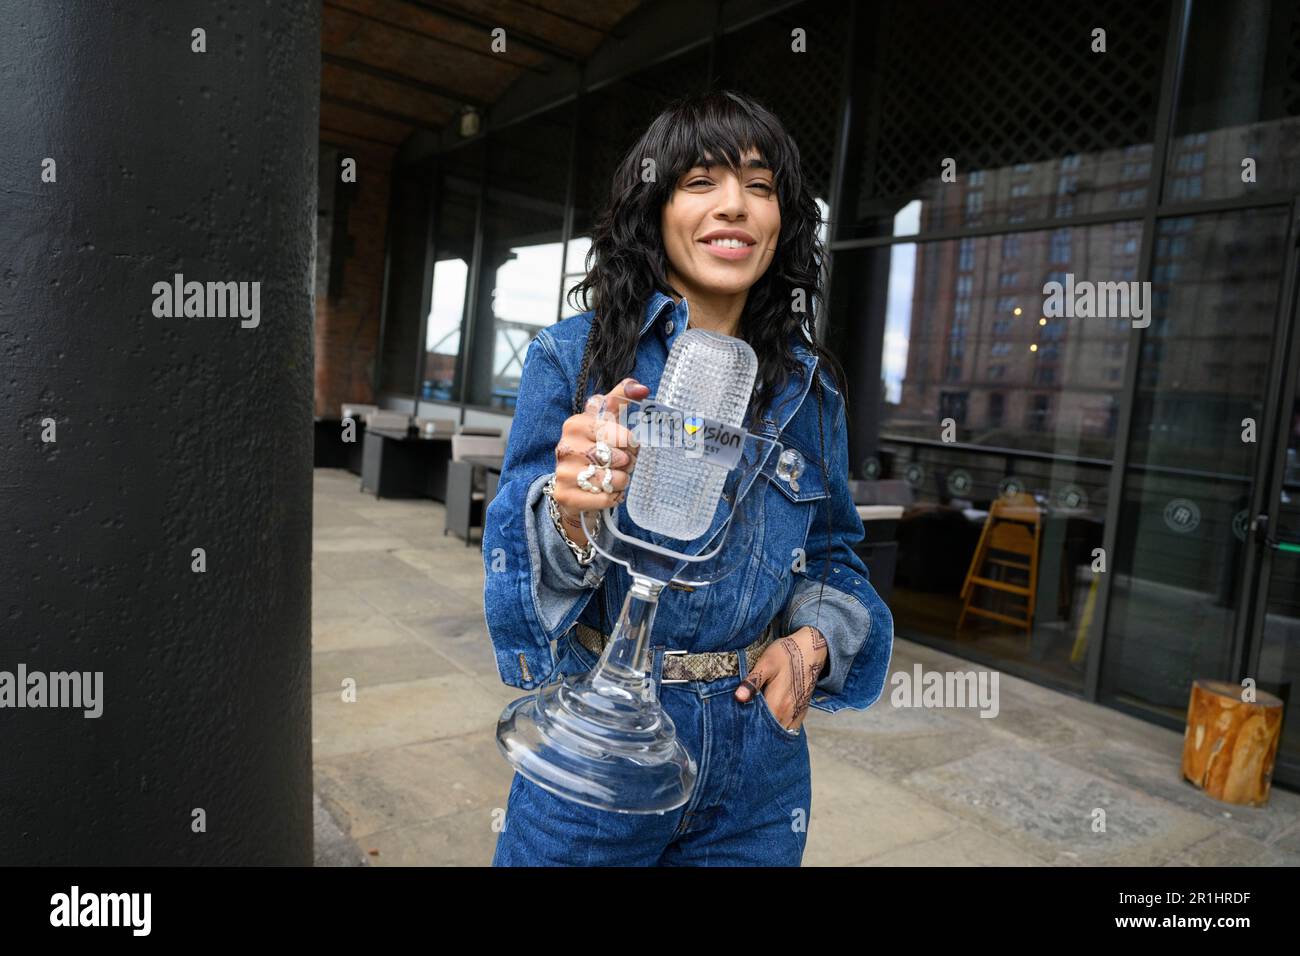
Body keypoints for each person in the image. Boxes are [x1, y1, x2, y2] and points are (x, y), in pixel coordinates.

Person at [483, 90, 893, 866]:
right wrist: (571, 515)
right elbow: (513, 577)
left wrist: (814, 648)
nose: (735, 205)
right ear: (655, 207)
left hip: (755, 765)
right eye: (701, 182)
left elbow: (835, 554)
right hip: (595, 752)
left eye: (762, 186)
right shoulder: (572, 362)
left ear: (783, 222)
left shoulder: (812, 392)